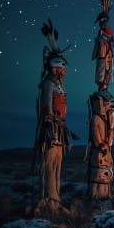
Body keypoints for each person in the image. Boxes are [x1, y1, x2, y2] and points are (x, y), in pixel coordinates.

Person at [33, 19, 77, 212]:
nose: (64, 71)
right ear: (54, 67)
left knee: (58, 165)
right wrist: (50, 121)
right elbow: (45, 106)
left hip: (59, 129)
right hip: (51, 130)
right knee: (49, 165)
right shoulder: (49, 84)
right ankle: (47, 201)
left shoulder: (60, 85)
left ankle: (56, 199)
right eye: (62, 67)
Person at [86, 90, 114, 200]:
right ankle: (96, 196)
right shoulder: (96, 119)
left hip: (105, 151)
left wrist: (110, 136)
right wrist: (100, 144)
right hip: (99, 151)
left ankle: (105, 195)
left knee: (106, 173)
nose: (111, 106)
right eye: (109, 103)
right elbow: (95, 134)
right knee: (99, 173)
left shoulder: (105, 119)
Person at [92, 0, 114, 90]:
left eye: (104, 21)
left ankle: (104, 84)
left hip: (106, 55)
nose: (102, 23)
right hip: (103, 55)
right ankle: (102, 84)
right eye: (101, 21)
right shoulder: (101, 33)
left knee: (106, 71)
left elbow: (110, 36)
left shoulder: (106, 31)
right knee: (102, 71)